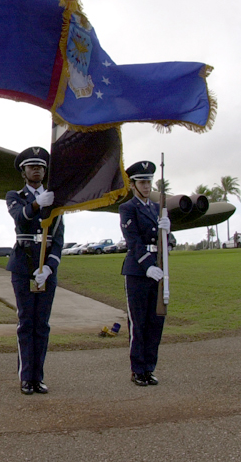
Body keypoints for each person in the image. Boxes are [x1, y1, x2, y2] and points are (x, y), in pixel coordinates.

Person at [6, 146, 64, 395]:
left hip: (46, 269)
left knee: (42, 324)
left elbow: (59, 239)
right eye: (32, 166)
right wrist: (37, 205)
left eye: (40, 166)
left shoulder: (55, 199)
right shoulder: (14, 196)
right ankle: (25, 377)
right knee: (26, 322)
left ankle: (38, 376)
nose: (36, 170)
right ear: (24, 171)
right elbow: (20, 218)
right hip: (23, 265)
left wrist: (50, 268)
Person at [120, 160, 169, 387]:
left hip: (158, 272)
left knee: (155, 323)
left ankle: (150, 368)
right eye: (142, 182)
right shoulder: (128, 208)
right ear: (133, 185)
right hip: (139, 272)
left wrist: (168, 231)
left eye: (149, 181)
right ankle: (137, 370)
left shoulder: (156, 208)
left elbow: (169, 243)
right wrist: (148, 265)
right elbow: (134, 241)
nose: (147, 186)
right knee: (138, 324)